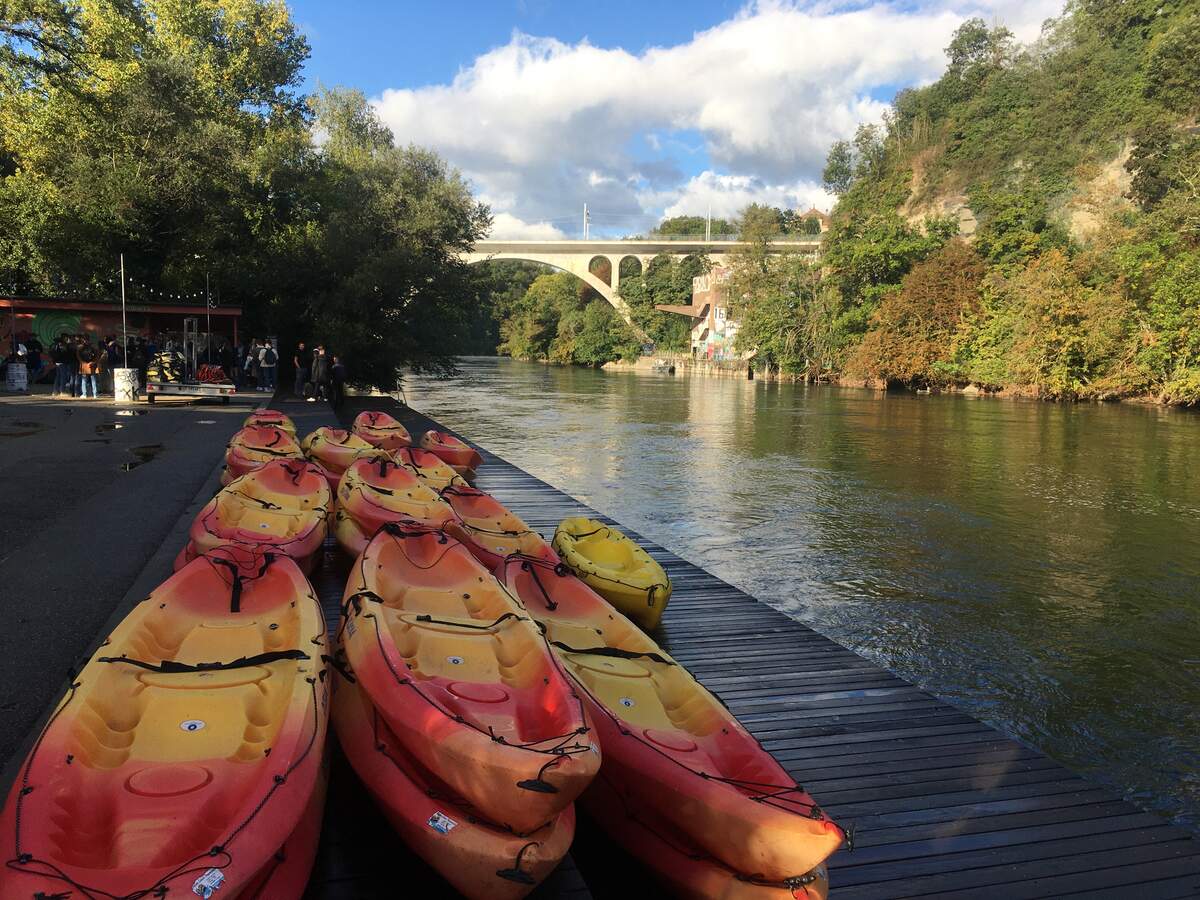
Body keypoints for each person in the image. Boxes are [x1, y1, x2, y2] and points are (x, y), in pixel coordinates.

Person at [50, 333, 73, 397]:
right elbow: (65, 353)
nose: (68, 339)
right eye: (67, 337)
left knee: (58, 377)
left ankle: (55, 391)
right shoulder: (62, 345)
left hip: (57, 362)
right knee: (63, 377)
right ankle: (62, 391)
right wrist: (68, 345)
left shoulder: (55, 345)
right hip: (62, 362)